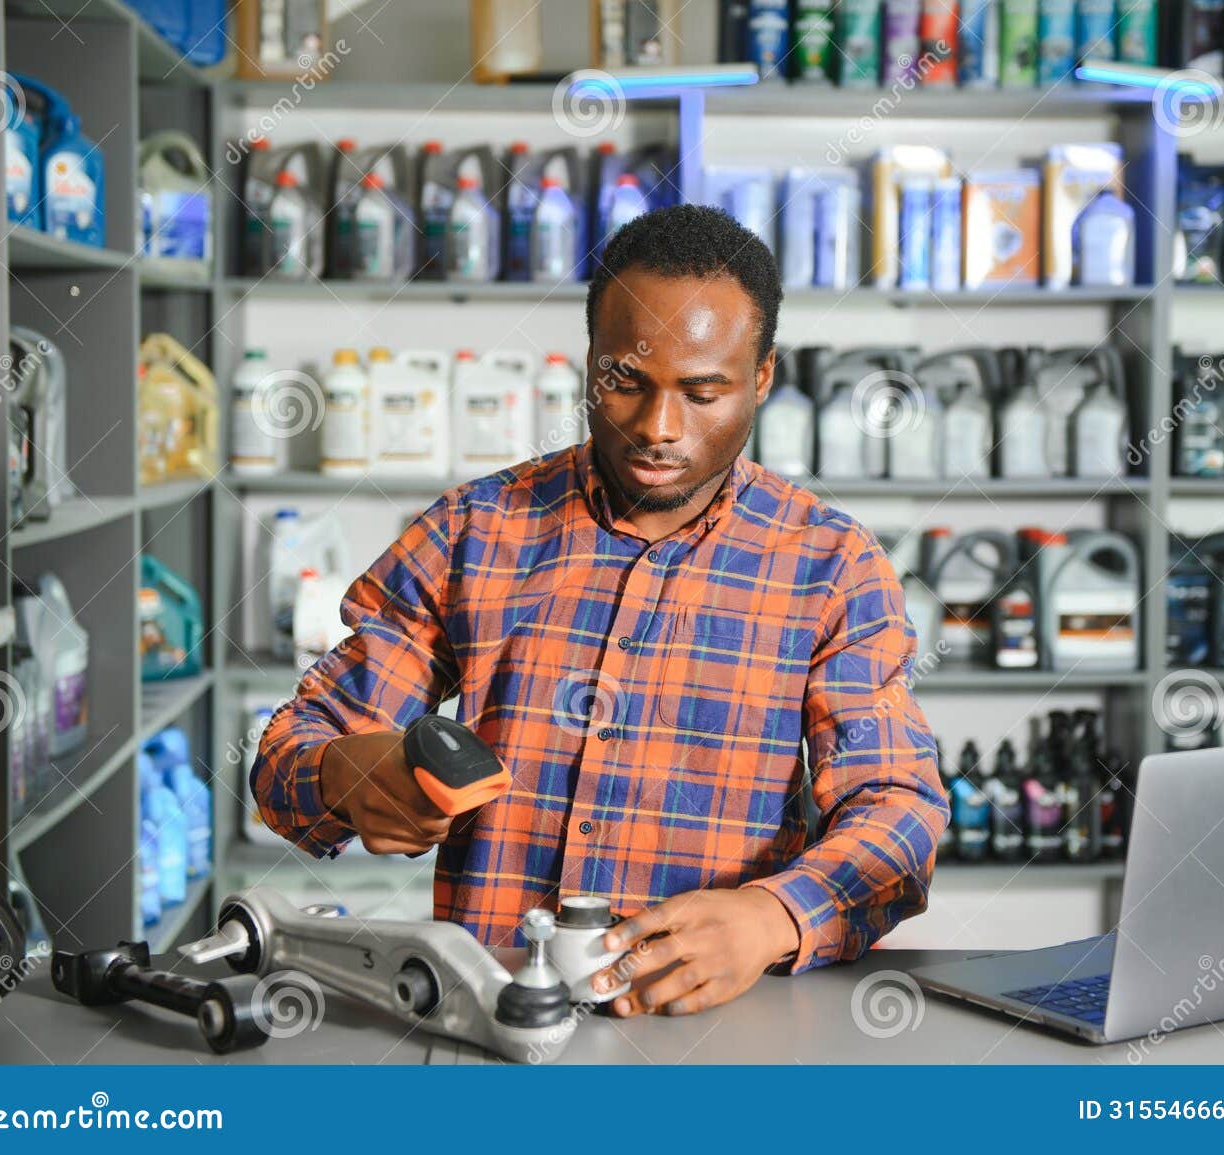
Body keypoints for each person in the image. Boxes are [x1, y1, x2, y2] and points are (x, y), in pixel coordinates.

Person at [252, 203, 947, 1019]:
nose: (659, 429)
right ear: (589, 363)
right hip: (491, 1028)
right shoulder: (473, 530)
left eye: (703, 392)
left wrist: (773, 916)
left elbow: (897, 807)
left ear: (761, 377)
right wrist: (348, 773)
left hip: (713, 1036)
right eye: (625, 381)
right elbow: (289, 751)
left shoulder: (833, 566)